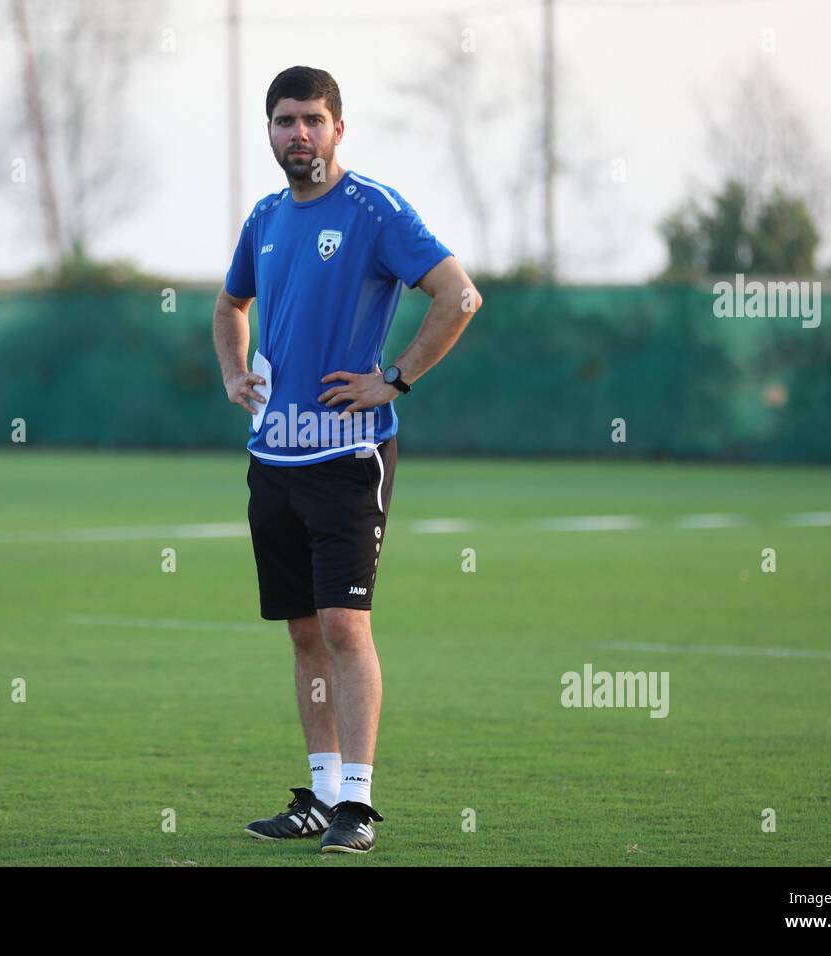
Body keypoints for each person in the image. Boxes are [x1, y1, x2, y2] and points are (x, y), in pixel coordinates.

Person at [211, 65, 482, 854]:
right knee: (302, 632)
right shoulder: (264, 217)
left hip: (347, 455)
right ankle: (321, 793)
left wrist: (394, 378)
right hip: (273, 458)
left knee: (343, 624)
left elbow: (459, 295)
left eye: (313, 120)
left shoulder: (373, 209)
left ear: (338, 128)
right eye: (285, 120)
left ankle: (357, 806)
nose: (299, 133)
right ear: (269, 131)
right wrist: (235, 372)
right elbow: (232, 304)